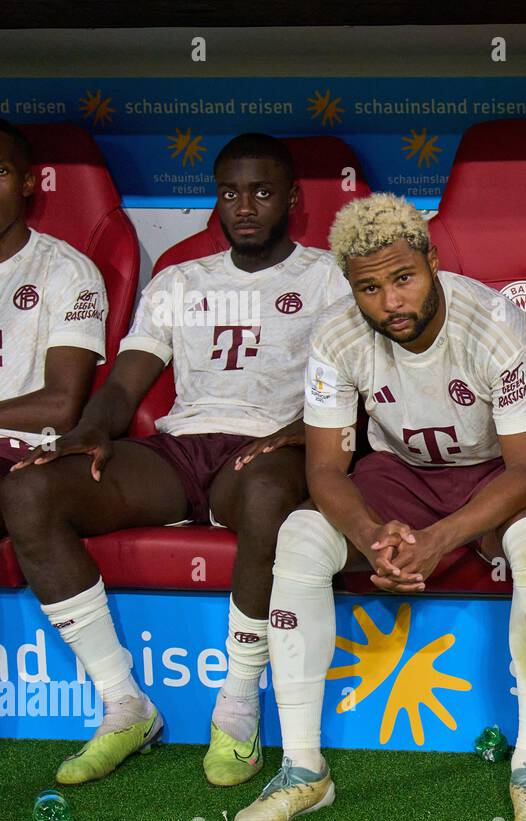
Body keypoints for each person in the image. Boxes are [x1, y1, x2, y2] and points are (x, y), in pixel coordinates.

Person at [2, 134, 350, 787]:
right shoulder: (180, 278)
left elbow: (357, 379)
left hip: (267, 448)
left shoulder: (327, 276)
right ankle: (124, 703)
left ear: (294, 200)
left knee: (270, 492)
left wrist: (304, 430)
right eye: (230, 192)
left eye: (263, 191)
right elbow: (126, 384)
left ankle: (237, 705)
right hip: (181, 447)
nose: (244, 206)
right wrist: (90, 430)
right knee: (30, 491)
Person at [232, 193, 526, 821]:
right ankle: (304, 767)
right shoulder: (337, 334)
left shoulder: (495, 321)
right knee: (303, 534)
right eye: (369, 287)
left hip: (499, 468)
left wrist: (438, 539)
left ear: (432, 261)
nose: (391, 301)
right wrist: (371, 534)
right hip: (403, 475)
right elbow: (327, 469)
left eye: (403, 278)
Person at [0, 118, 105, 516]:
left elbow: (61, 406)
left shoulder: (65, 271)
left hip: (17, 450)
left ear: (28, 184)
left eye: (0, 171)